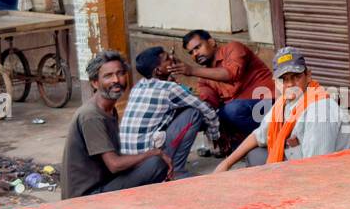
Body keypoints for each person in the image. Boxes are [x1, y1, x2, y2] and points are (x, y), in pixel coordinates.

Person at [214, 47, 347, 171]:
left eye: (296, 77)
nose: (290, 84)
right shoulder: (284, 103)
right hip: (297, 165)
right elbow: (259, 135)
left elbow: (316, 167)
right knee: (254, 154)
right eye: (283, 79)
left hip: (323, 174)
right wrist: (225, 164)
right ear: (275, 82)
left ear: (308, 76)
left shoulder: (319, 110)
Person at [62, 50, 171, 198]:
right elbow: (114, 165)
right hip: (87, 197)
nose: (116, 80)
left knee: (148, 162)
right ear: (95, 83)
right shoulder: (91, 116)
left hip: (102, 183)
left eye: (120, 73)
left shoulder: (109, 110)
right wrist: (153, 153)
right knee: (155, 164)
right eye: (108, 76)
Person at [120, 47, 220, 179]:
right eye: (167, 59)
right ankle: (176, 170)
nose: (172, 59)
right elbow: (205, 110)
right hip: (150, 158)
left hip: (130, 160)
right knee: (193, 113)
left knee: (181, 109)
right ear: (158, 70)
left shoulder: (138, 86)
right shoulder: (170, 88)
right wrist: (215, 137)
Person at [172, 30, 275, 140]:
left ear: (211, 42)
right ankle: (250, 144)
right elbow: (209, 104)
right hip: (245, 116)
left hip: (269, 104)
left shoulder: (233, 48)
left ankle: (271, 137)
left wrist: (191, 70)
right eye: (191, 52)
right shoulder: (203, 79)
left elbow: (232, 74)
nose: (195, 54)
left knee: (231, 110)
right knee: (209, 116)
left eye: (198, 47)